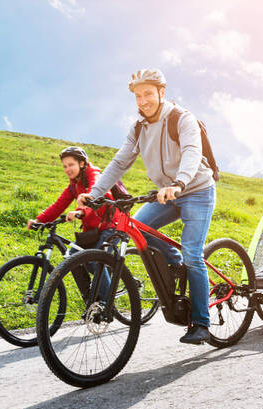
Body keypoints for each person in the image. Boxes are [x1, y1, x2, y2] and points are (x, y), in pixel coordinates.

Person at [78, 68, 216, 344]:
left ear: (161, 93)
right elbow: (120, 162)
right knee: (140, 228)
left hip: (197, 190)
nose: (143, 101)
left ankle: (201, 323)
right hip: (165, 193)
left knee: (192, 253)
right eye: (138, 96)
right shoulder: (139, 128)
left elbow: (192, 151)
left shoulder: (182, 118)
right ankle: (175, 264)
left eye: (148, 94)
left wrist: (179, 183)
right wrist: (94, 194)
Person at [28, 146, 118, 299]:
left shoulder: (94, 175)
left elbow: (98, 195)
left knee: (97, 262)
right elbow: (58, 206)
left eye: (71, 164)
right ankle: (91, 298)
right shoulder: (74, 185)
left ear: (82, 163)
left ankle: (106, 303)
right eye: (64, 166)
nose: (67, 169)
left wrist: (80, 212)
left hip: (110, 227)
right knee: (72, 258)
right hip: (92, 231)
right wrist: (39, 220)